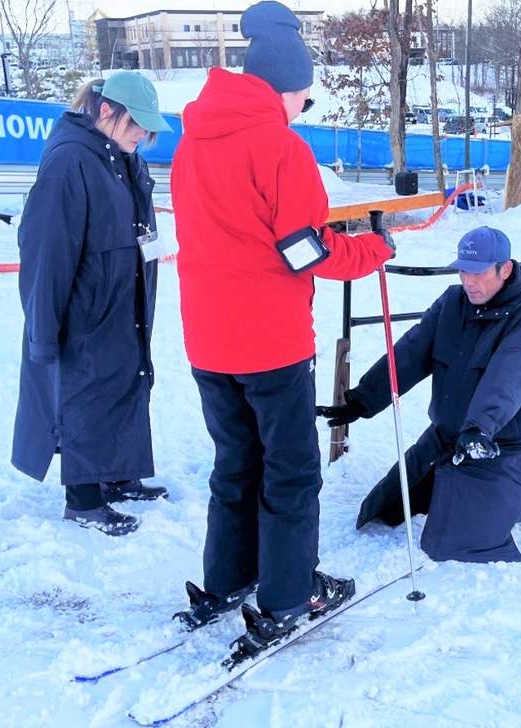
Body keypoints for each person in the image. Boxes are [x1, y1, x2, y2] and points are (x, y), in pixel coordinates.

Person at [169, 0, 394, 650]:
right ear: (285, 88)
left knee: (235, 463)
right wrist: (373, 249)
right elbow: (305, 250)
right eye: (302, 95)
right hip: (269, 343)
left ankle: (229, 577)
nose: (302, 107)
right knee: (291, 472)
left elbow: (249, 231)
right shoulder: (279, 147)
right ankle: (290, 594)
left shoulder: (193, 144)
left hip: (208, 342)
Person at [320, 227, 521, 563]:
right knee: (381, 509)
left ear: (504, 269)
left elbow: (511, 374)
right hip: (446, 435)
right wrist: (363, 399)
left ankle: (507, 497)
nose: (469, 282)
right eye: (463, 270)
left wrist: (480, 428)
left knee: (455, 543)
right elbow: (411, 352)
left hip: (497, 443)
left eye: (478, 272)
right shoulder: (453, 301)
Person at [11, 73, 172, 536]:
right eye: (136, 124)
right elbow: (45, 251)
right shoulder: (69, 163)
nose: (143, 135)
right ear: (106, 111)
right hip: (86, 306)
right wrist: (44, 329)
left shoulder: (120, 157)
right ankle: (83, 498)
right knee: (86, 392)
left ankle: (119, 475)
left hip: (124, 297)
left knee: (126, 382)